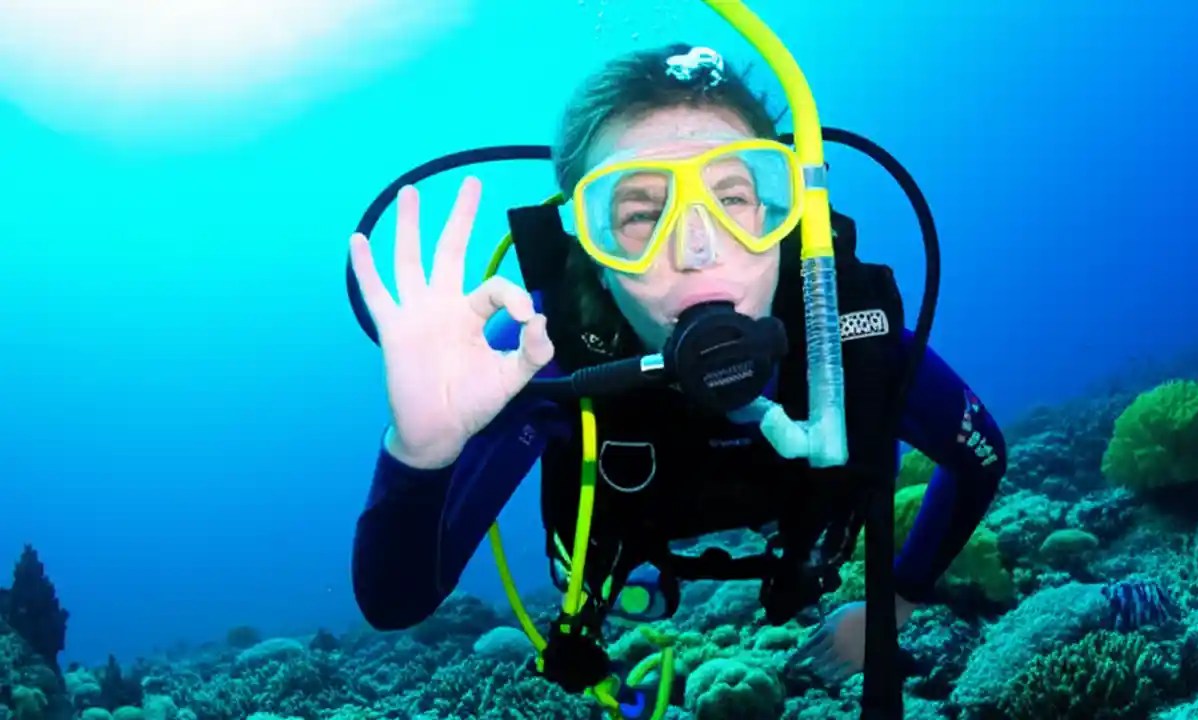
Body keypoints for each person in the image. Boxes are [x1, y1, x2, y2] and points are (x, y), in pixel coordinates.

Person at [347, 42, 1006, 690]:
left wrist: (898, 599)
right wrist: (421, 455)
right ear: (591, 250)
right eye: (640, 212)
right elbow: (396, 602)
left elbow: (980, 457)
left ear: (785, 209)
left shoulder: (844, 330)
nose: (698, 249)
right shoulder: (540, 355)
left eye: (734, 196)